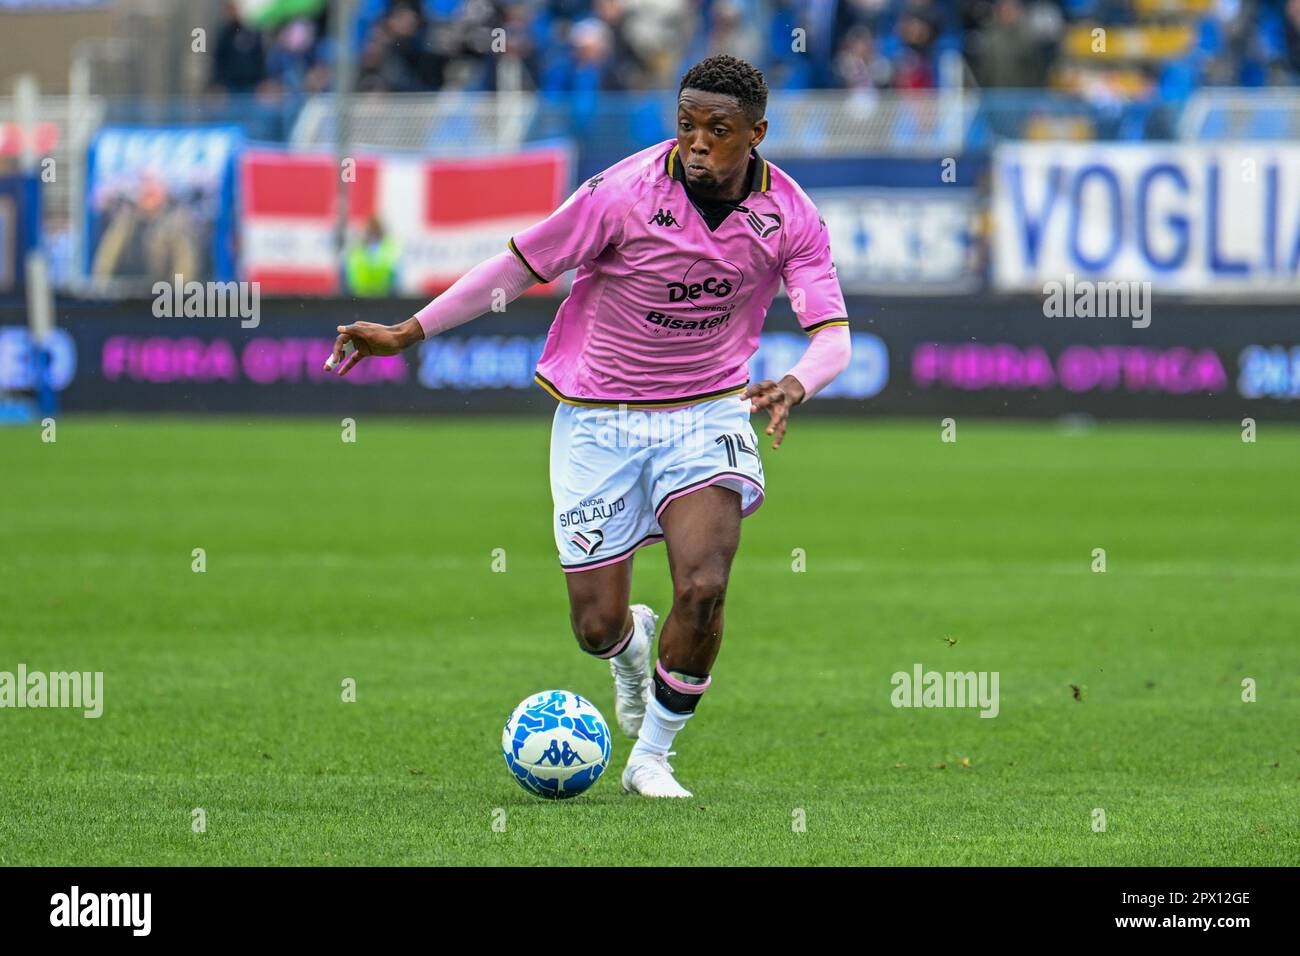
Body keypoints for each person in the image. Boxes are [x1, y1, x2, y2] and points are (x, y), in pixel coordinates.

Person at [323, 55, 852, 798]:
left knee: (703, 586)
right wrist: (410, 331)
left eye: (719, 130)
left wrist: (796, 383)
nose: (698, 143)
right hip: (599, 419)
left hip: (708, 412)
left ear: (756, 133)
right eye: (687, 125)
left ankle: (653, 758)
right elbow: (516, 268)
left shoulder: (789, 215)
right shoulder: (621, 193)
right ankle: (629, 646)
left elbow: (833, 334)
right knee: (594, 628)